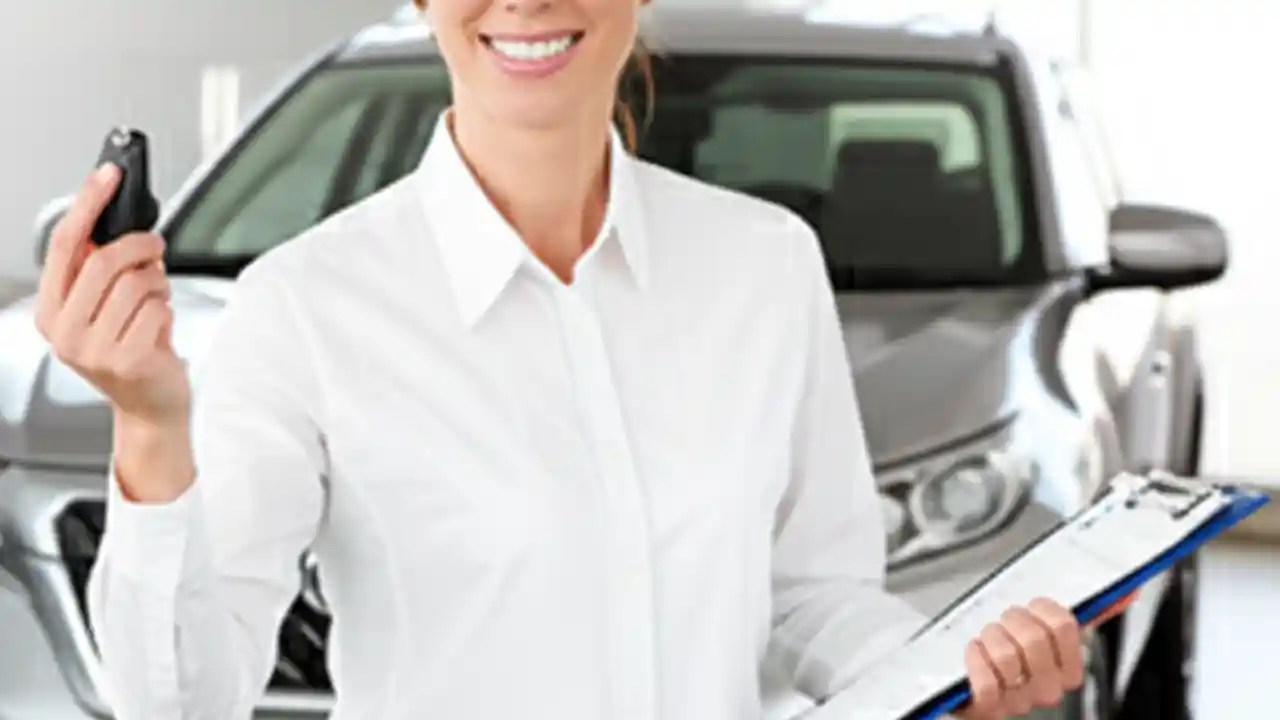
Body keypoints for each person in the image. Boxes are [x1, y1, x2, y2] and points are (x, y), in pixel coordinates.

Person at [34, 0, 1129, 718]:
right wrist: (147, 426)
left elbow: (809, 600)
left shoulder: (762, 266)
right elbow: (178, 700)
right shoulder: (307, 306)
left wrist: (951, 674)